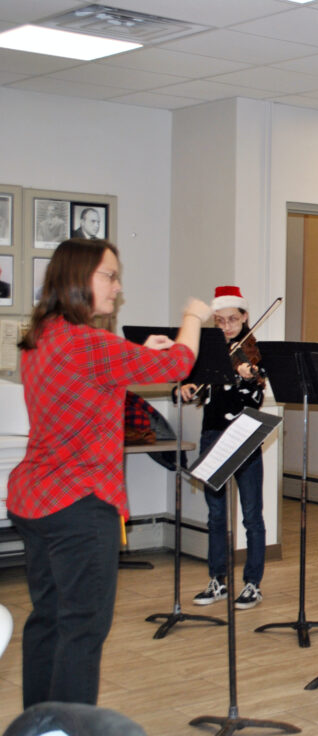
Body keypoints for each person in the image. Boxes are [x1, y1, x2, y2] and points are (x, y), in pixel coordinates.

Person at [7, 238, 210, 707]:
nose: (118, 289)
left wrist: (134, 349)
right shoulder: (89, 344)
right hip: (80, 506)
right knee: (82, 631)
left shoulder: (44, 338)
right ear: (79, 279)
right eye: (110, 276)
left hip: (35, 500)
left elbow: (96, 373)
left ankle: (39, 725)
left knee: (48, 620)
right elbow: (179, 362)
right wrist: (193, 317)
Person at [180, 285, 268, 610]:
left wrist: (247, 376)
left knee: (251, 516)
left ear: (244, 317)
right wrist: (189, 388)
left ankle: (252, 584)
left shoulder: (254, 352)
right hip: (212, 433)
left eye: (232, 319)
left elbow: (255, 396)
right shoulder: (210, 350)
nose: (227, 327)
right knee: (216, 516)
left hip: (244, 436)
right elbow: (202, 391)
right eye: (219, 321)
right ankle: (217, 579)